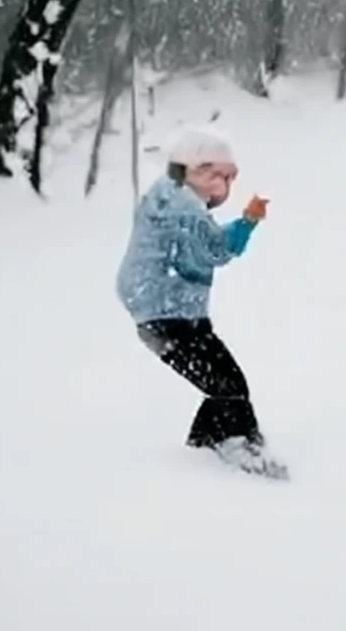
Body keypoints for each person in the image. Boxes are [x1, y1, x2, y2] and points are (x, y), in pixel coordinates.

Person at [115, 127, 287, 478]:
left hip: (170, 313)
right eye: (217, 177)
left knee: (225, 382)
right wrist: (248, 222)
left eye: (229, 178)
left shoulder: (170, 196)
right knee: (227, 384)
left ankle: (205, 450)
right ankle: (233, 445)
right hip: (169, 316)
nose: (222, 187)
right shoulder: (181, 207)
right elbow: (215, 249)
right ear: (191, 169)